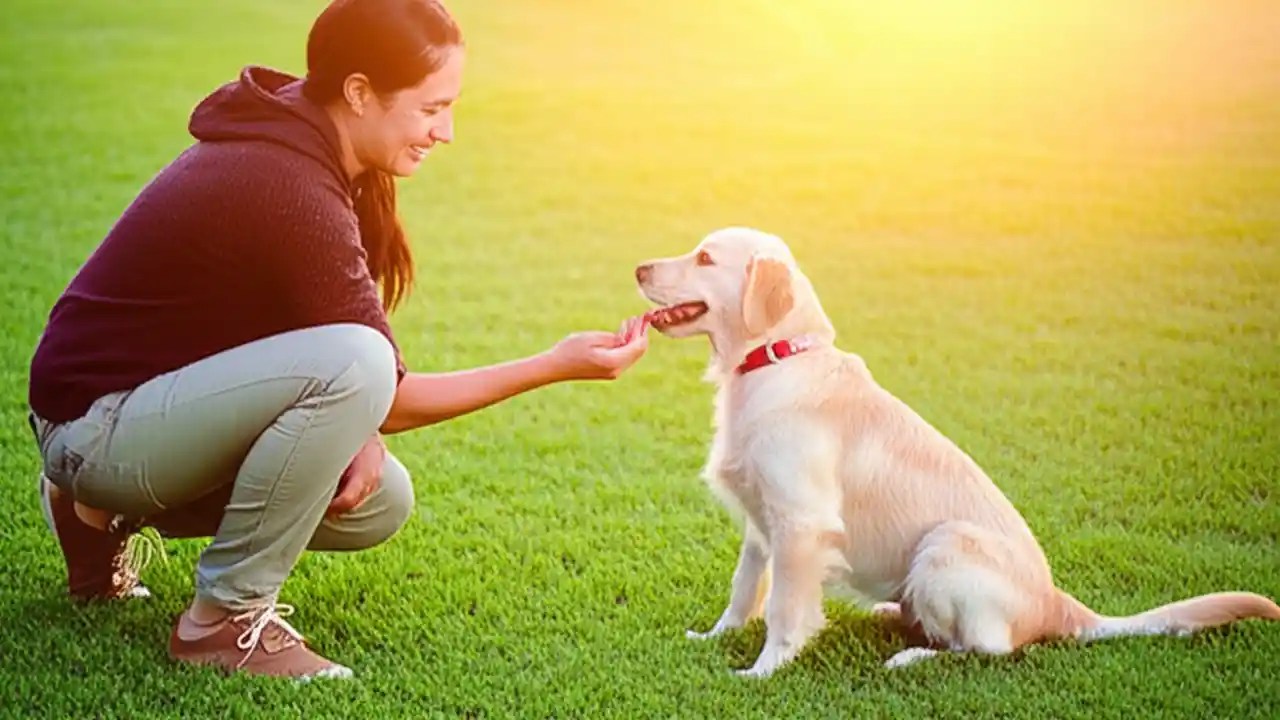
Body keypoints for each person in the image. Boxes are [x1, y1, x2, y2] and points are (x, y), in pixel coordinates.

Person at [25, 0, 649, 680]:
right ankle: (222, 620)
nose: (447, 132)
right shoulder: (285, 179)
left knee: (379, 502)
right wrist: (553, 365)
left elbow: (299, 333)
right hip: (97, 427)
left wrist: (356, 423)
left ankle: (91, 515)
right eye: (430, 108)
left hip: (133, 415)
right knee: (360, 362)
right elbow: (385, 388)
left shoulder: (315, 150)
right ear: (358, 93)